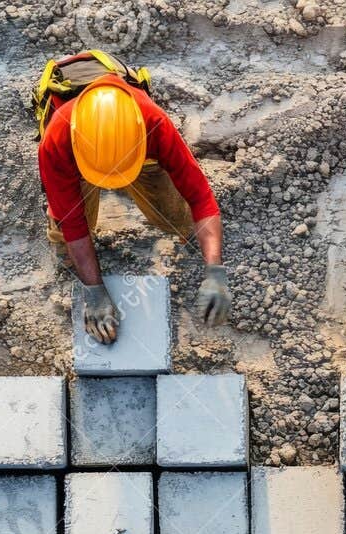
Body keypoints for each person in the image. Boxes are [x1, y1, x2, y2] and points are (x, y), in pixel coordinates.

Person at [33, 51, 231, 341]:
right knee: (66, 230)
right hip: (78, 156)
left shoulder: (153, 123)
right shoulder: (57, 141)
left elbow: (201, 197)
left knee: (180, 214)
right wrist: (94, 291)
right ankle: (72, 260)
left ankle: (187, 231)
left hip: (130, 146)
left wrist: (215, 270)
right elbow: (73, 223)